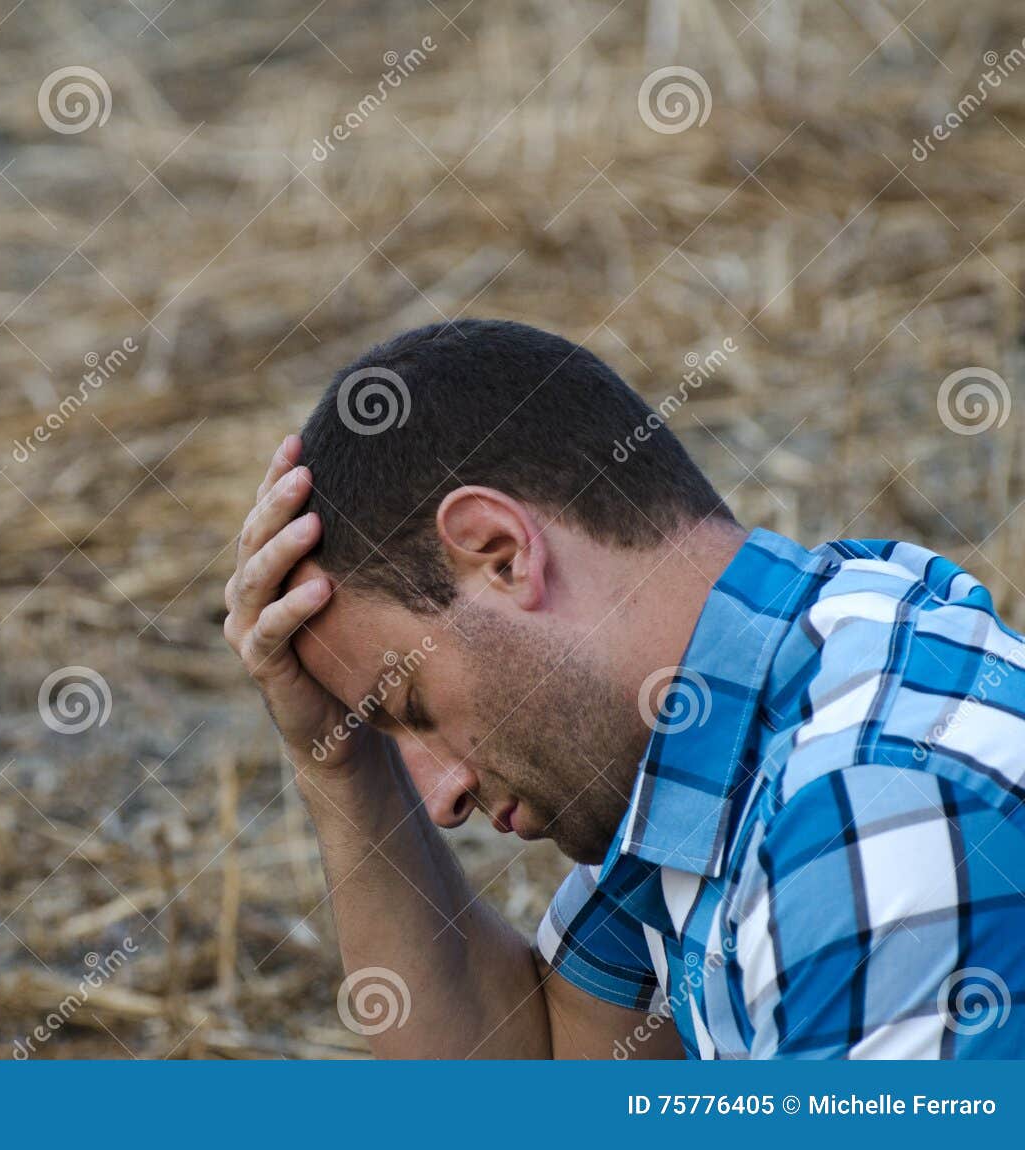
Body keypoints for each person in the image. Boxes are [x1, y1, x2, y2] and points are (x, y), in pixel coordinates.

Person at [222, 319, 1025, 1059]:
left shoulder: (877, 816)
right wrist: (341, 764)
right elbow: (524, 1086)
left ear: (501, 553)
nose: (441, 800)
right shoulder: (708, 753)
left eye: (414, 709)